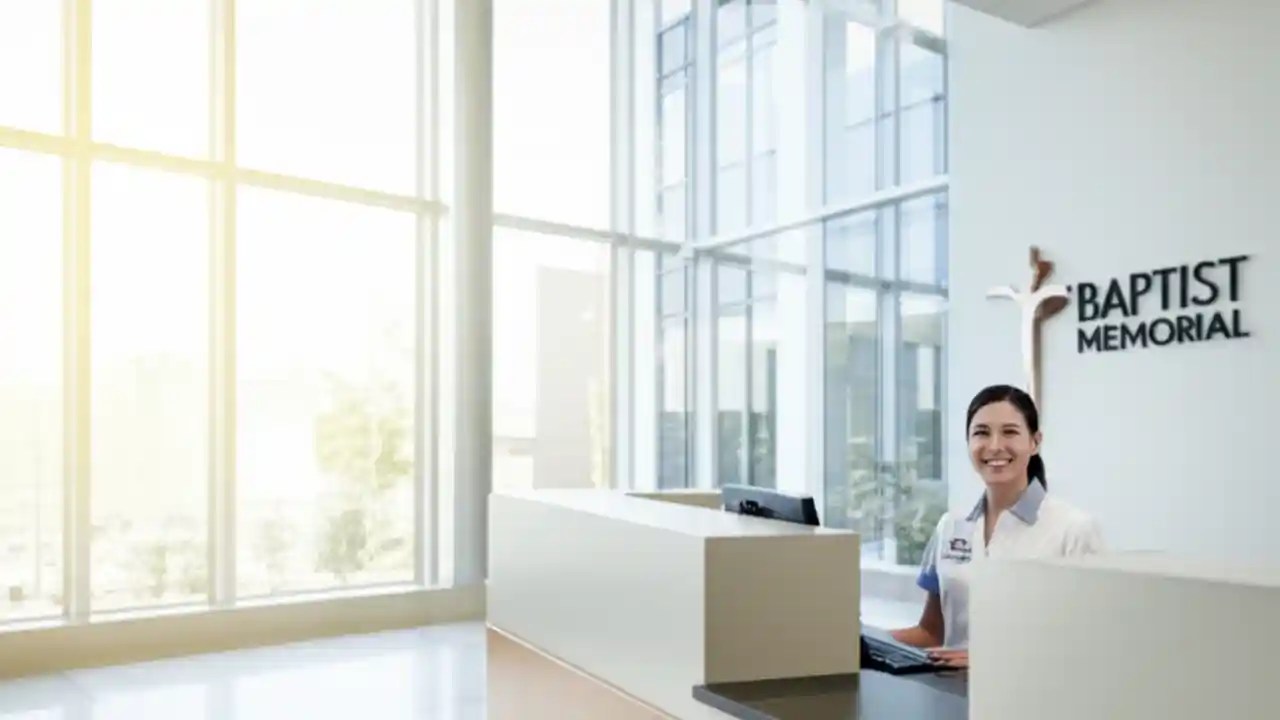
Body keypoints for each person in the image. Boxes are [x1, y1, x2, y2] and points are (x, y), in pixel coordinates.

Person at [890, 384, 1103, 669]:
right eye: (981, 433)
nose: (994, 446)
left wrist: (991, 660)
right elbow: (932, 632)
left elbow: (1090, 642)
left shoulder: (1074, 529)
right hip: (950, 694)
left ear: (1035, 442)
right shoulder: (951, 525)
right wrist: (857, 639)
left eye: (1010, 432)